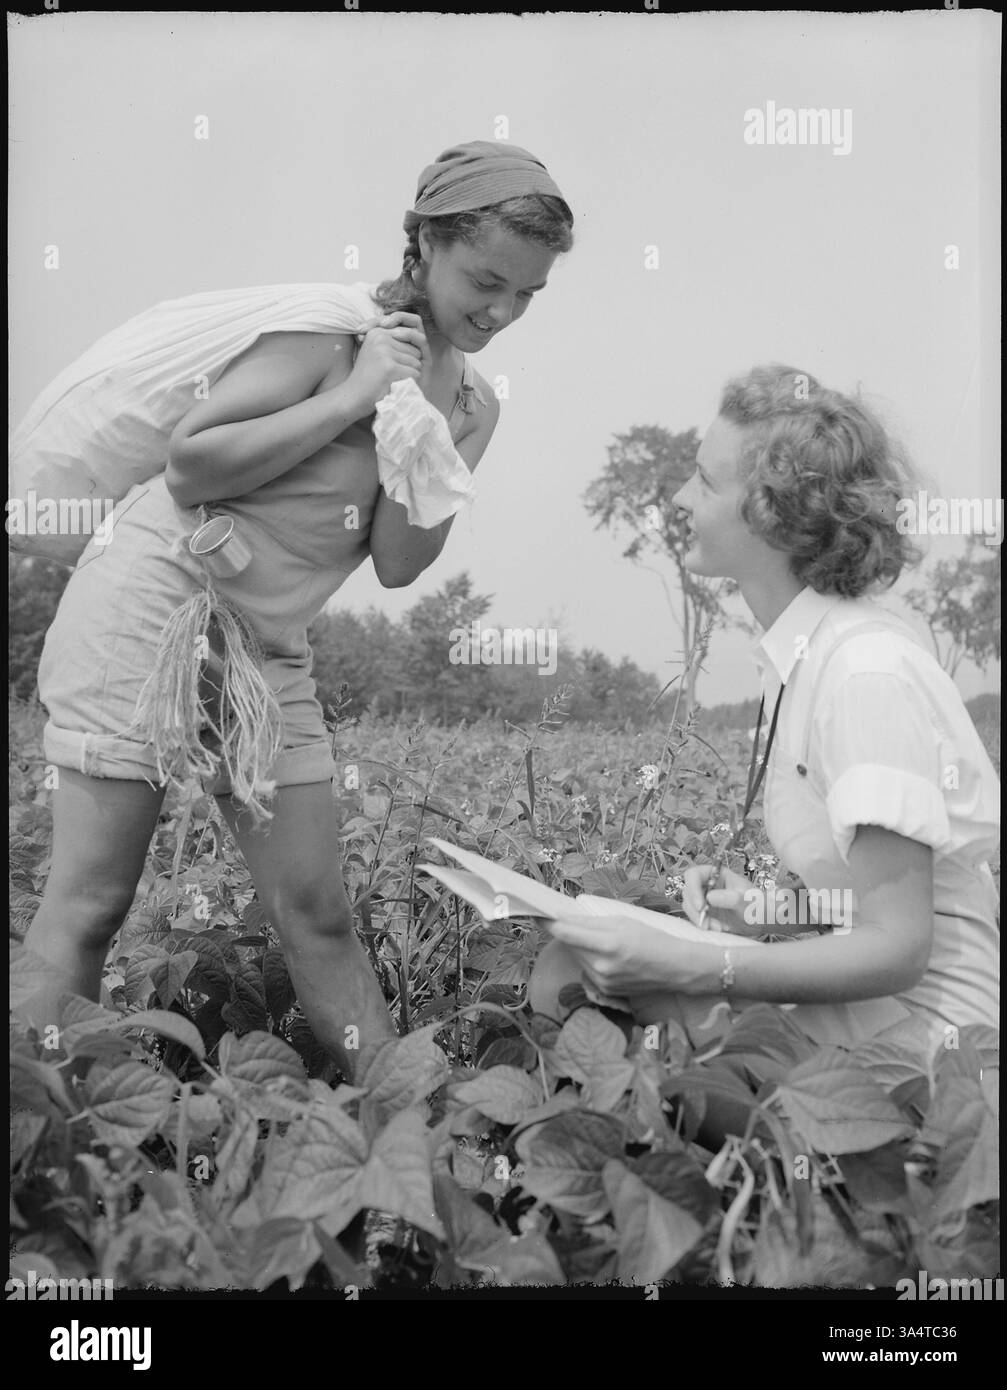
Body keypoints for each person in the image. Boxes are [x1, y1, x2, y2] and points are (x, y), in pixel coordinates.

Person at [21, 140, 574, 1079]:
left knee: (317, 912)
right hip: (153, 603)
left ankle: (408, 1128)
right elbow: (192, 467)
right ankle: (32, 1134)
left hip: (265, 647)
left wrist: (420, 440)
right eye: (486, 280)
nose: (501, 311)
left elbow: (398, 563)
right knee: (91, 902)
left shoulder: (473, 407)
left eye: (526, 295)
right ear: (425, 244)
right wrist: (358, 394)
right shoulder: (330, 335)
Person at [530, 364, 999, 1067]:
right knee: (578, 953)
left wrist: (699, 966)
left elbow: (899, 947)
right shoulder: (805, 656)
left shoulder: (863, 674)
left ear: (775, 514)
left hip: (932, 1045)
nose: (683, 496)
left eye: (706, 482)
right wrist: (760, 912)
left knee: (575, 971)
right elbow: (867, 904)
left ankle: (781, 1164)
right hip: (884, 1014)